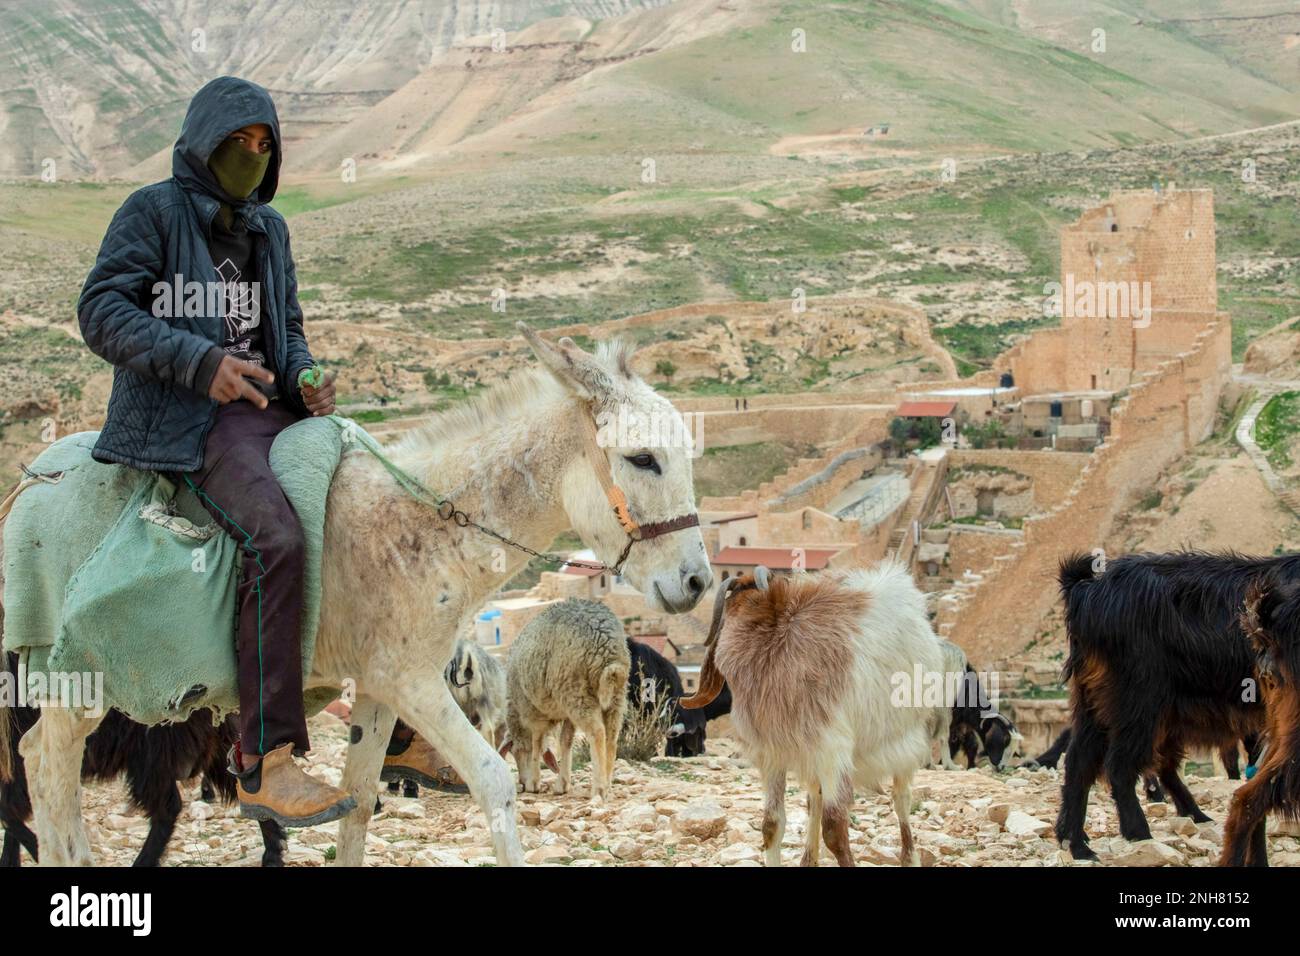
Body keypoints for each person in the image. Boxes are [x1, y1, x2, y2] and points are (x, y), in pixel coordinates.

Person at [77, 76, 451, 826]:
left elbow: (287, 329)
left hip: (271, 410)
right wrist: (199, 362)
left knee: (381, 515)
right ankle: (264, 761)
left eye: (263, 145)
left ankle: (403, 724)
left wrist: (306, 376)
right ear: (202, 143)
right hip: (186, 419)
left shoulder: (268, 229)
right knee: (274, 537)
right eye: (236, 143)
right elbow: (101, 310)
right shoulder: (151, 212)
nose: (251, 156)